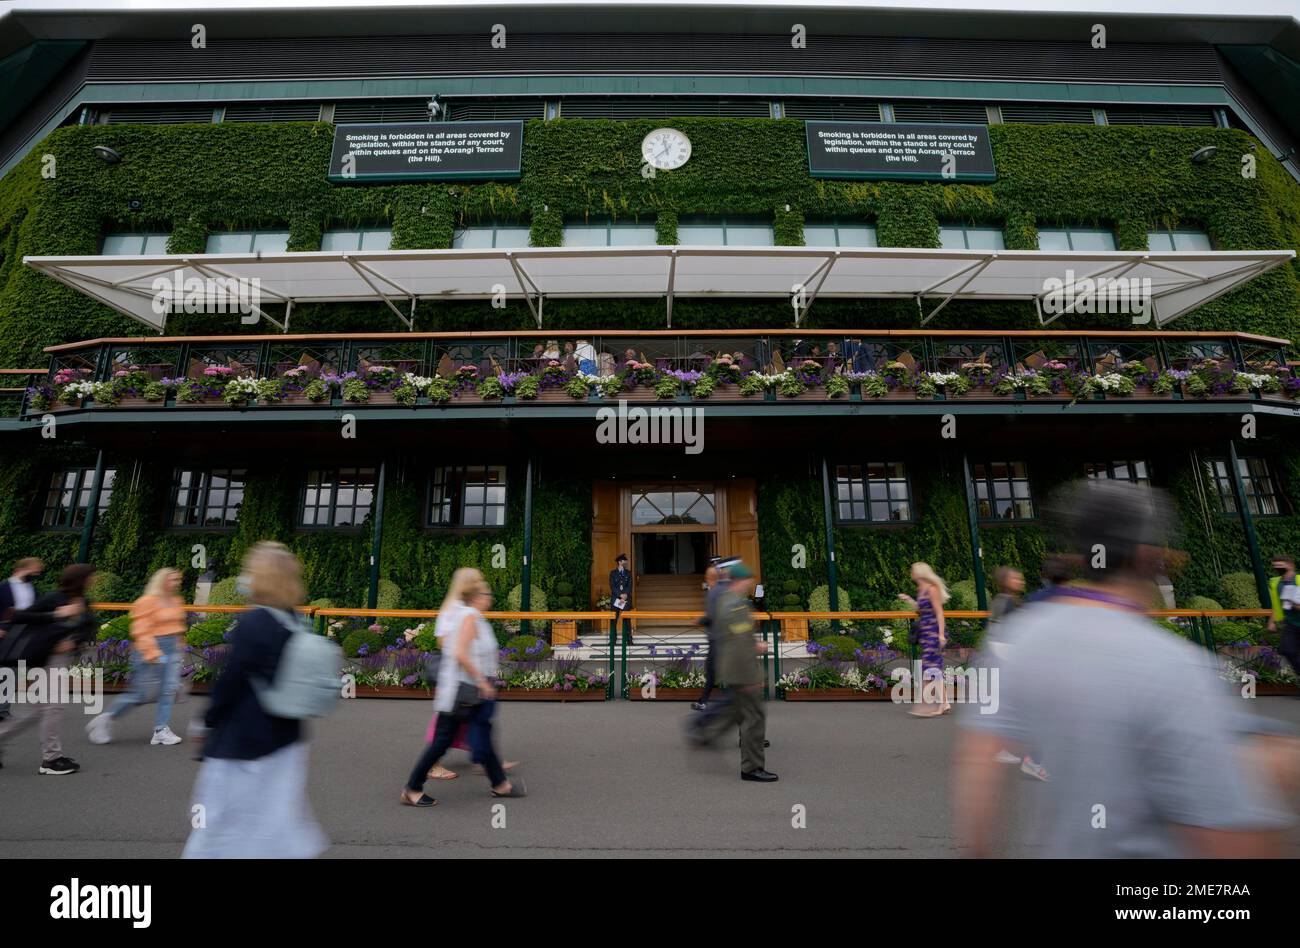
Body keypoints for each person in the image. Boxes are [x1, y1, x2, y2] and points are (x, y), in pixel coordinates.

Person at [956, 480, 1292, 857]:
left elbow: (979, 767)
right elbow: (1234, 838)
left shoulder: (1023, 636)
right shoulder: (1176, 666)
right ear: (1148, 556)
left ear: (1080, 554)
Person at [182, 542, 327, 858]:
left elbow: (230, 684)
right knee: (275, 818)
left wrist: (206, 722)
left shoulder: (254, 623)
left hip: (243, 740)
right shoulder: (293, 620)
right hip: (285, 737)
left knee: (217, 822)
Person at [401, 570, 523, 806]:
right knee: (442, 742)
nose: (490, 596)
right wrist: (481, 681)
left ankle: (500, 784)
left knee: (482, 735)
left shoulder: (474, 616)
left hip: (471, 690)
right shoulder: (468, 617)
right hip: (463, 690)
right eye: (486, 593)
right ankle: (412, 788)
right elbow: (459, 653)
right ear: (476, 597)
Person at [0, 563, 97, 775]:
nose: (94, 580)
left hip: (62, 658)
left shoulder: (84, 602)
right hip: (46, 658)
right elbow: (18, 616)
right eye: (91, 576)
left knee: (38, 711)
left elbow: (88, 628)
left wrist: (74, 641)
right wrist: (57, 615)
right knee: (53, 707)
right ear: (80, 579)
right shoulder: (55, 598)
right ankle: (51, 759)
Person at [686, 563, 775, 781]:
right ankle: (752, 768)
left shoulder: (725, 600)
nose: (750, 584)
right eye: (748, 580)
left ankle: (704, 732)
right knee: (754, 718)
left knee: (736, 711)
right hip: (742, 669)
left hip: (731, 666)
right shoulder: (735, 605)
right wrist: (752, 674)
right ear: (738, 581)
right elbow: (739, 641)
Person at [86, 567, 186, 747]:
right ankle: (105, 719)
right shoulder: (147, 601)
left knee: (168, 691)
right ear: (161, 581)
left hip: (171, 649)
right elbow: (141, 630)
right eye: (173, 579)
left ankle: (160, 730)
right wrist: (154, 654)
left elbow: (178, 627)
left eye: (178, 579)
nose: (177, 583)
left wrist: (178, 650)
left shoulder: (176, 600)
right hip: (150, 650)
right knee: (140, 694)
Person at [982, 567, 1049, 781]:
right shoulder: (1009, 603)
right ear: (1005, 581)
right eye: (1015, 577)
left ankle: (1002, 748)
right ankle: (1027, 757)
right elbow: (1007, 634)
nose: (1020, 580)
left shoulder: (1002, 600)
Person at [897, 562, 951, 717]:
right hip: (925, 633)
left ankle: (927, 704)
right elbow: (921, 610)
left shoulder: (931, 589)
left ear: (919, 572)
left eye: (913, 570)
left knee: (930, 667)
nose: (911, 573)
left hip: (933, 632)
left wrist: (940, 634)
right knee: (934, 668)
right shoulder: (920, 590)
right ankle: (943, 702)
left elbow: (939, 612)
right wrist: (909, 600)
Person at [0, 557, 43, 720]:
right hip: (5, 633)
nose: (37, 573)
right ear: (21, 569)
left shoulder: (32, 588)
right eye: (35, 570)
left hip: (25, 634)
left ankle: (3, 709)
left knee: (13, 671)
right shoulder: (3, 587)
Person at [692, 557, 728, 711]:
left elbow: (712, 616)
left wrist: (700, 620)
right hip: (725, 637)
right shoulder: (724, 590)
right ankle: (704, 700)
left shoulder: (713, 592)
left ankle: (705, 701)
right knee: (715, 670)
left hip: (717, 638)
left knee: (712, 670)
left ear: (710, 577)